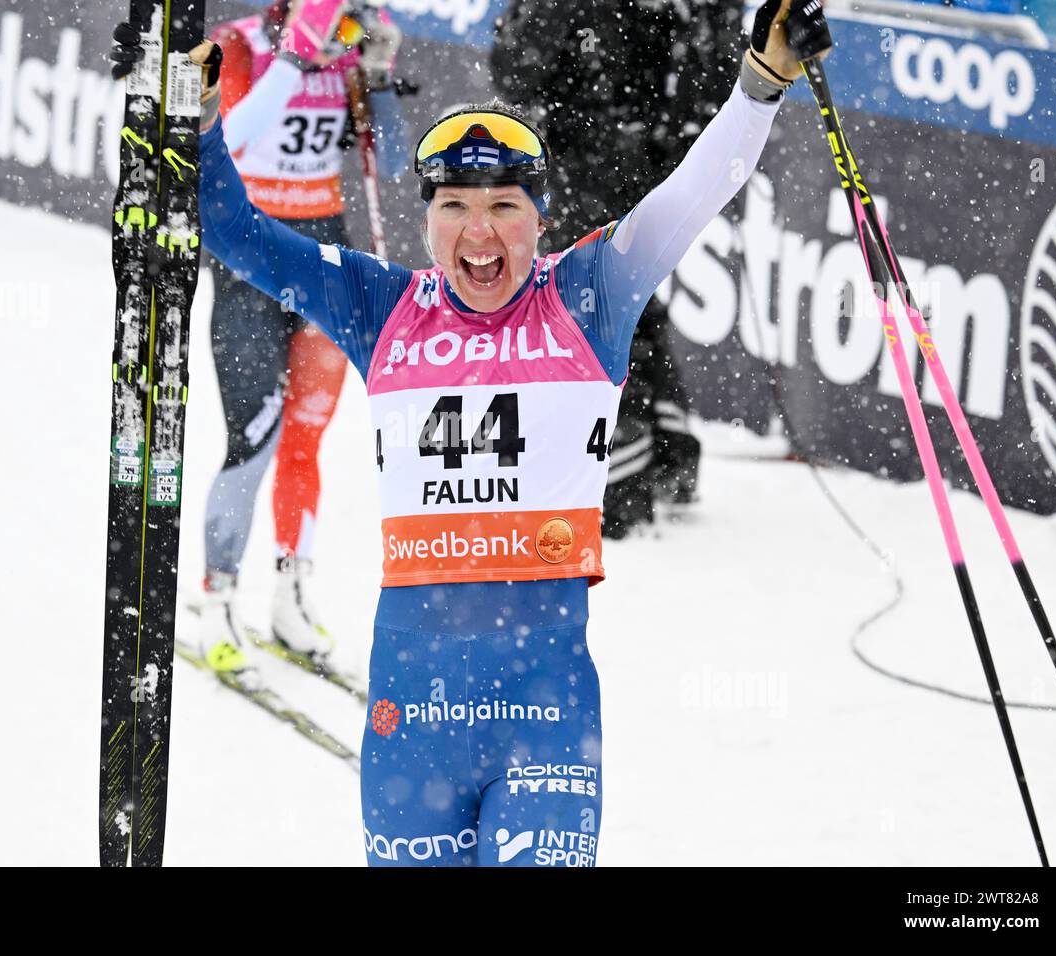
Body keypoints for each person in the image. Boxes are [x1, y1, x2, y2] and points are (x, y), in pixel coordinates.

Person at [170, 0, 829, 865]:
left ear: (543, 217)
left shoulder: (590, 294)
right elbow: (235, 232)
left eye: (505, 206)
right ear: (429, 216)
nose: (479, 233)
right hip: (413, 726)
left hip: (544, 719)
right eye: (453, 206)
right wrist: (195, 111)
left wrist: (760, 83)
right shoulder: (383, 308)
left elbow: (699, 188)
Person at [194, 0, 409, 675]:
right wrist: (291, 60)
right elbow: (232, 140)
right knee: (251, 438)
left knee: (305, 437)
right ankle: (218, 599)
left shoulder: (345, 49)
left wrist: (376, 76)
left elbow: (396, 161)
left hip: (323, 254)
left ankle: (289, 593)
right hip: (251, 252)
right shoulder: (241, 44)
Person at [491, 0, 746, 535]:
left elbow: (517, 66)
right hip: (623, 153)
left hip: (620, 156)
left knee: (600, 307)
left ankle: (624, 484)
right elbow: (516, 68)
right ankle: (668, 458)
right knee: (628, 304)